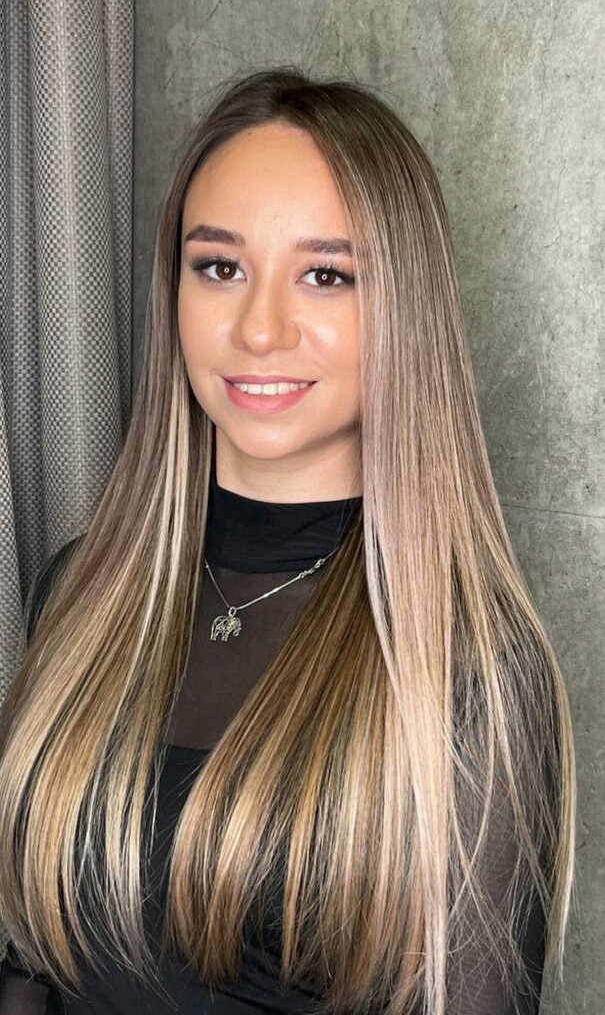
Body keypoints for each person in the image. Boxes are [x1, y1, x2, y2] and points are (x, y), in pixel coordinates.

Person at [0, 65, 575, 1015]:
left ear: (402, 308)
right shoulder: (79, 590)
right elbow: (32, 962)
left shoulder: (467, 673)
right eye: (219, 267)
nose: (259, 329)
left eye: (325, 275)